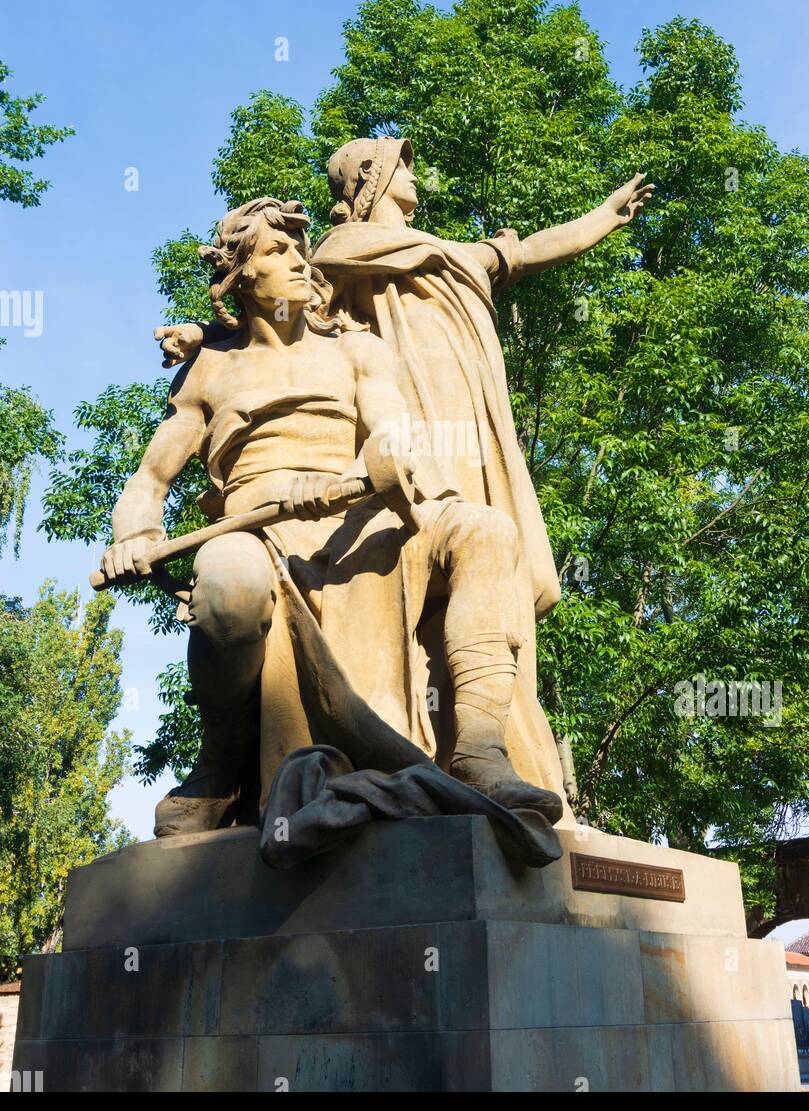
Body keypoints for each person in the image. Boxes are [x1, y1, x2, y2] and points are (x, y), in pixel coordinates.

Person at [156, 139, 653, 804]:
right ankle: (271, 756)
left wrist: (604, 216)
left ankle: (481, 751)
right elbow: (274, 323)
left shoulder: (445, 256)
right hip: (366, 459)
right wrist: (202, 335)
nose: (416, 175)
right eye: (404, 164)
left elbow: (526, 251)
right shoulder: (334, 254)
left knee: (484, 540)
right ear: (372, 176)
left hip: (443, 440)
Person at [103, 197, 564, 837]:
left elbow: (391, 424)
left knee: (486, 531)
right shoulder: (212, 367)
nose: (298, 260)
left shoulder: (355, 350)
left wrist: (381, 456)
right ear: (239, 278)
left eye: (297, 247)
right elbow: (151, 478)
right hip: (256, 529)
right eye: (275, 251)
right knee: (227, 587)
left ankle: (480, 752)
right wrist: (135, 533)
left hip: (359, 512)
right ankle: (221, 765)